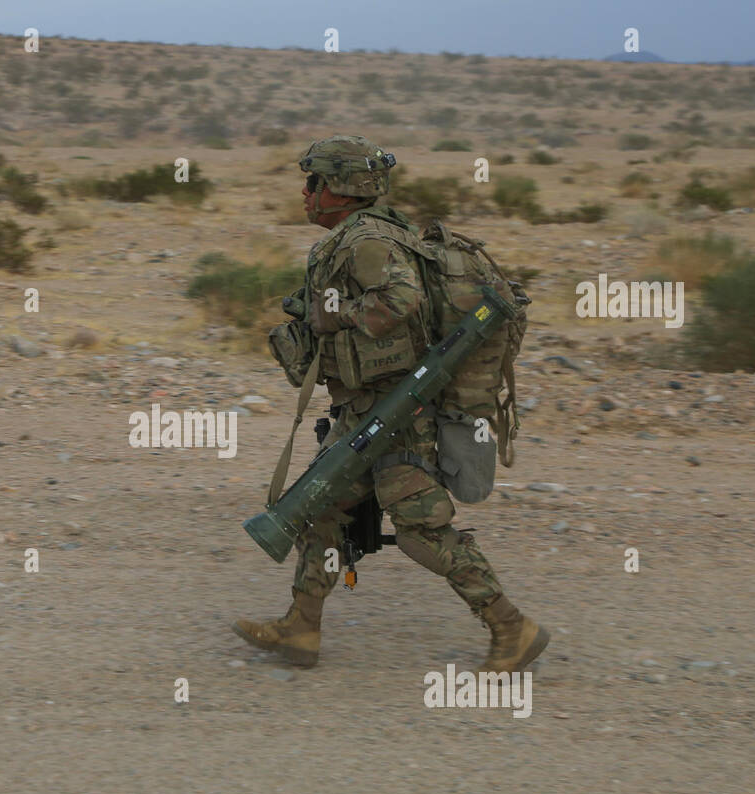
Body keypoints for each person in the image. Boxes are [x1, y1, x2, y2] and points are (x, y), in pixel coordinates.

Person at [232, 135, 550, 672]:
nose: (306, 193)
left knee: (421, 530)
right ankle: (301, 628)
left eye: (314, 182)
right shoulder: (369, 234)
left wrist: (333, 316)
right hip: (368, 408)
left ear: (341, 187)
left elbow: (401, 300)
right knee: (322, 512)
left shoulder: (367, 241)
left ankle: (512, 628)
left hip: (397, 416)